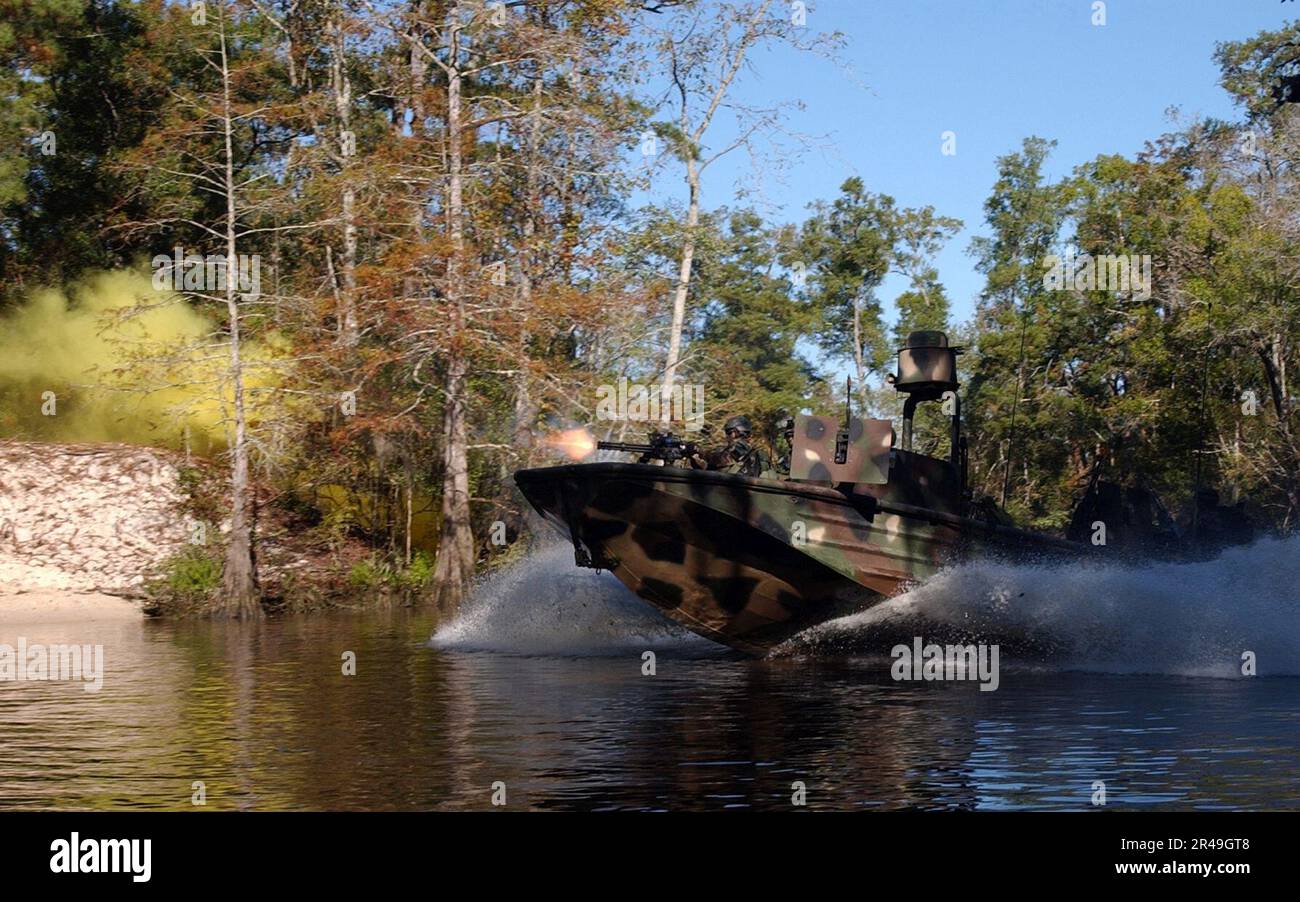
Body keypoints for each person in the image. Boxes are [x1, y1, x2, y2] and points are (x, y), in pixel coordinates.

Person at [690, 415, 774, 477]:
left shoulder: (737, 448)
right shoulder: (760, 453)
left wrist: (698, 451)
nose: (727, 436)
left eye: (728, 432)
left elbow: (716, 459)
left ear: (735, 433)